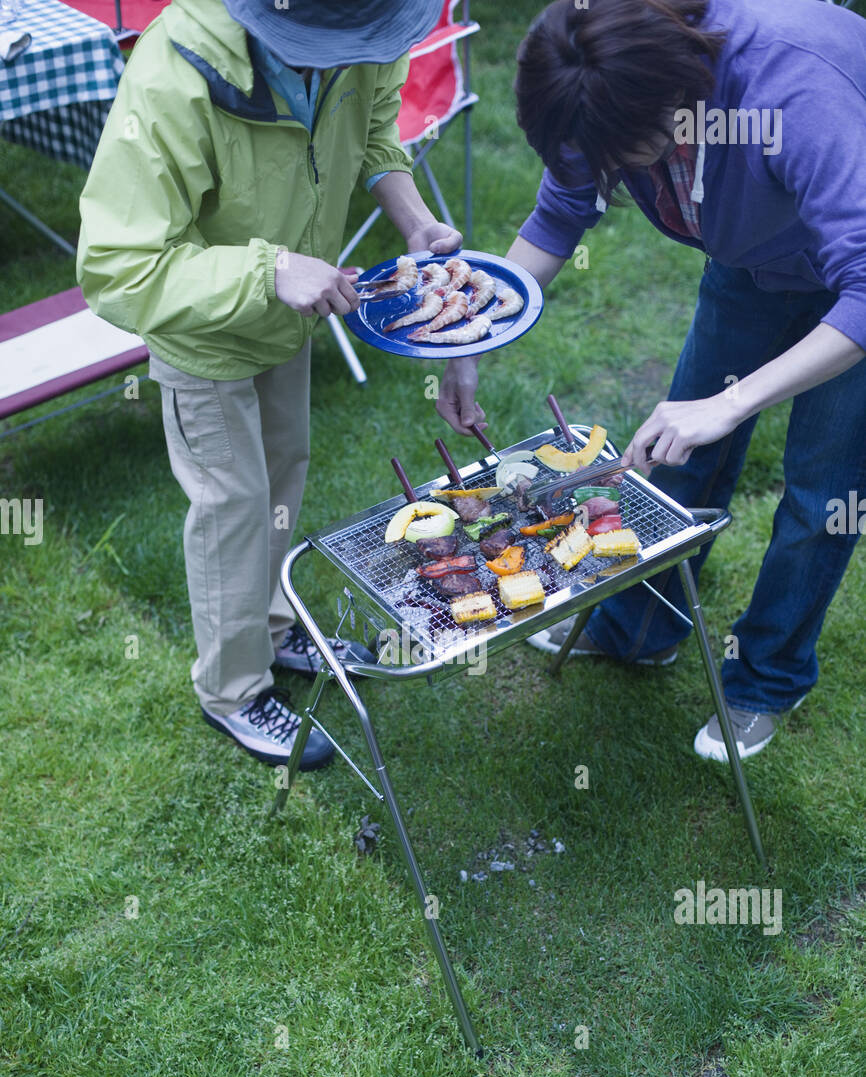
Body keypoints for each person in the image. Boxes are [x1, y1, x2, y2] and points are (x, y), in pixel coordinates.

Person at [436, 0, 866, 761]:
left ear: (679, 105)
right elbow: (561, 210)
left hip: (854, 269)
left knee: (821, 493)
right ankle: (639, 630)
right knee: (680, 458)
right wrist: (476, 338)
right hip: (753, 260)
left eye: (614, 156)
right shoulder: (600, 74)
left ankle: (766, 678)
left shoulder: (791, 88)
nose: (602, 174)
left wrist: (731, 402)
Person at [78, 0, 461, 769]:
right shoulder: (174, 72)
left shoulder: (368, 22)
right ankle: (233, 691)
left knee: (284, 471)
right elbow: (115, 264)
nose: (347, 58)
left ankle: (276, 633)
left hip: (291, 315)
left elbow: (376, 131)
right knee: (233, 506)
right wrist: (273, 269)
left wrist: (415, 219)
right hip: (205, 329)